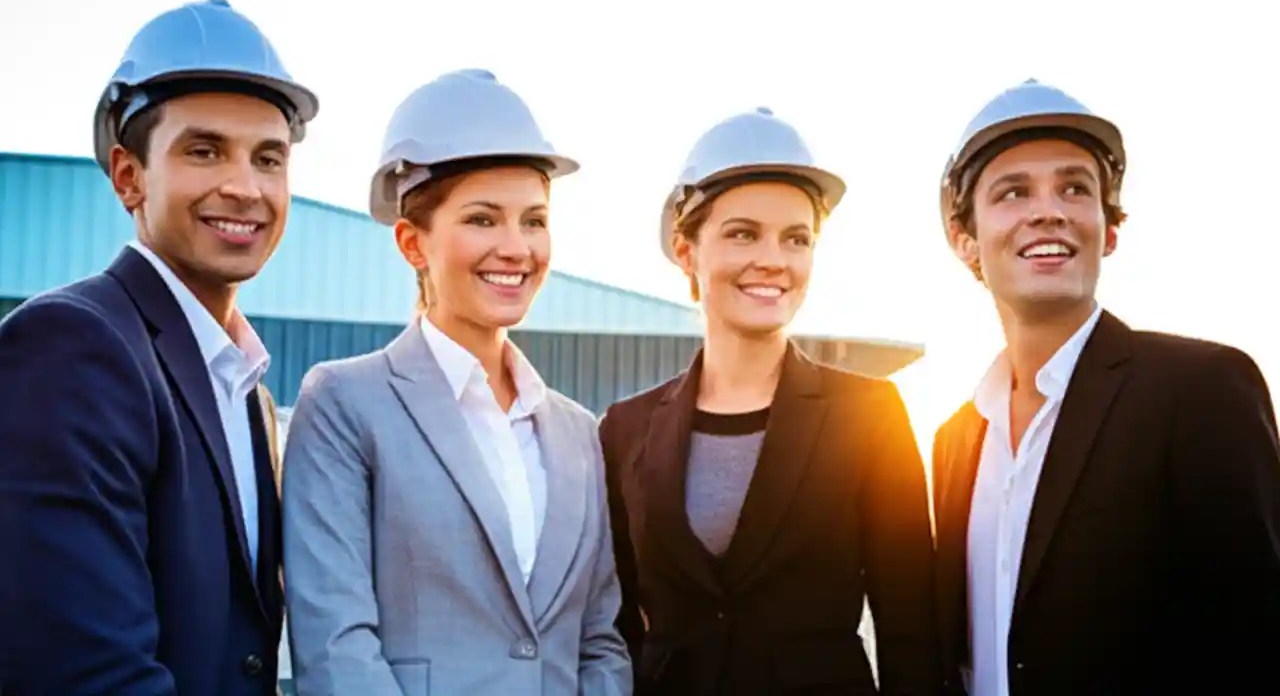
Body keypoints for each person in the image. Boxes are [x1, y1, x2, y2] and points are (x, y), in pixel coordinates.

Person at [0, 0, 318, 696]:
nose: (244, 187)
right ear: (128, 176)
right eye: (204, 151)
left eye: (269, 158)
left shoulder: (247, 392)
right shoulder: (74, 347)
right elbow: (83, 672)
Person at [281, 68, 632, 695]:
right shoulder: (344, 404)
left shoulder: (579, 432)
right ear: (413, 244)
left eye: (534, 220)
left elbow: (599, 640)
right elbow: (337, 647)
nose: (516, 247)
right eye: (482, 219)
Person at [931, 78, 1280, 696]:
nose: (1049, 210)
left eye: (1074, 188)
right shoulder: (956, 439)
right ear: (965, 240)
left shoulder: (1202, 391)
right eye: (1013, 192)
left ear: (1108, 229)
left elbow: (1256, 643)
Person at [599, 107, 939, 695]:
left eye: (796, 239)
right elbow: (617, 626)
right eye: (742, 233)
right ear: (687, 252)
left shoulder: (870, 415)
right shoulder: (625, 430)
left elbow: (912, 635)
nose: (773, 260)